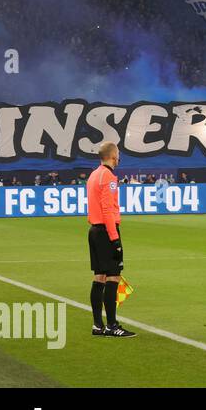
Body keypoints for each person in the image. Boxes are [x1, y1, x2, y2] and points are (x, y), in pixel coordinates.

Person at [86, 142, 136, 338]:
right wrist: (115, 239)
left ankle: (98, 325)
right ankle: (112, 325)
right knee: (113, 276)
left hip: (94, 231)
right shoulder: (108, 177)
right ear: (114, 156)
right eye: (118, 153)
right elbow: (107, 209)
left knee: (99, 277)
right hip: (107, 231)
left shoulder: (93, 175)